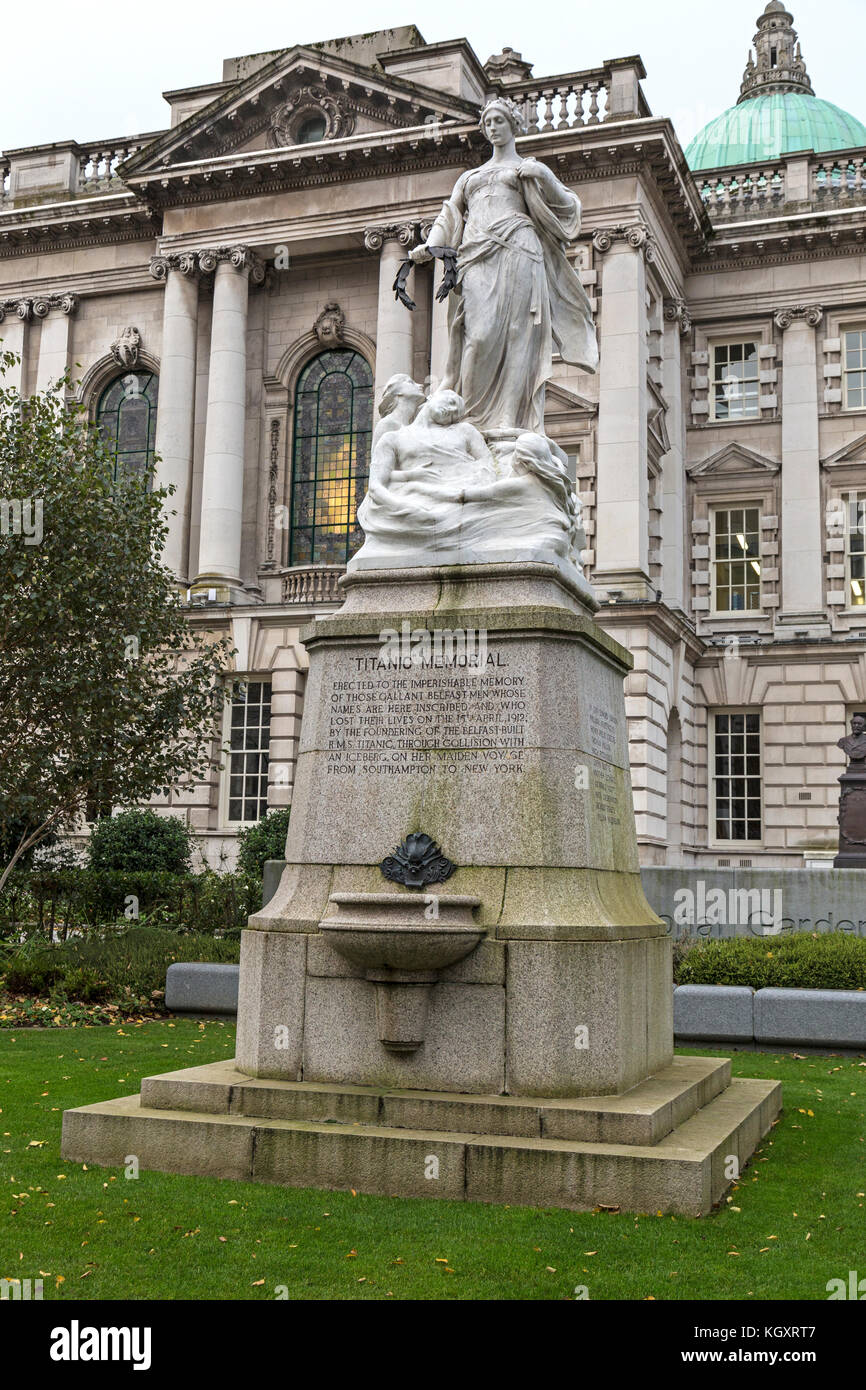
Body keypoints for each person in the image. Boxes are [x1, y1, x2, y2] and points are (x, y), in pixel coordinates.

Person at [409, 95, 598, 435]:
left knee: (518, 336)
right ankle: (470, 419)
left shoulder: (526, 169)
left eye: (498, 121)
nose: (493, 128)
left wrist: (543, 175)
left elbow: (569, 207)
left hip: (520, 252)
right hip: (476, 255)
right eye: (488, 123)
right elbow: (450, 214)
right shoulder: (470, 177)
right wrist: (431, 245)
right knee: (477, 336)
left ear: (512, 125)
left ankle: (508, 420)